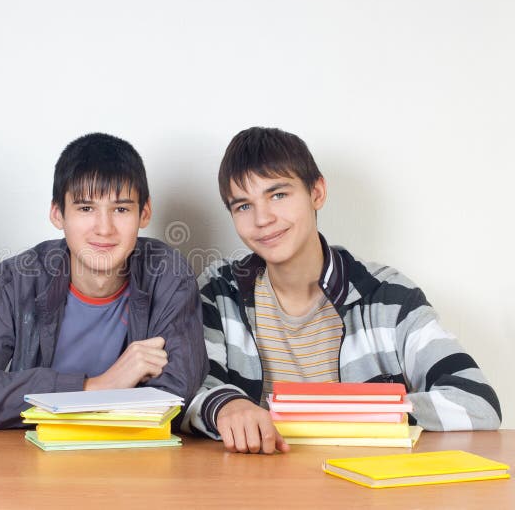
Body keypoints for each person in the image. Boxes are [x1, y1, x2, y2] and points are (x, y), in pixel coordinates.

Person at [182, 127, 501, 453]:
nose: (262, 218)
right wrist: (225, 406)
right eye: (243, 206)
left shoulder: (386, 295)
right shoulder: (220, 291)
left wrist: (365, 413)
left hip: (365, 489)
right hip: (259, 487)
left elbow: (476, 399)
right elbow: (184, 390)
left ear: (317, 192)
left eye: (278, 194)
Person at [0, 132, 207, 429]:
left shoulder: (168, 275)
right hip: (31, 461)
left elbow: (173, 401)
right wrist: (94, 387)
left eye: (121, 209)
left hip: (131, 462)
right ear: (57, 214)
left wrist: (56, 403)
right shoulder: (19, 279)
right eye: (86, 208)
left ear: (144, 213)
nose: (104, 229)